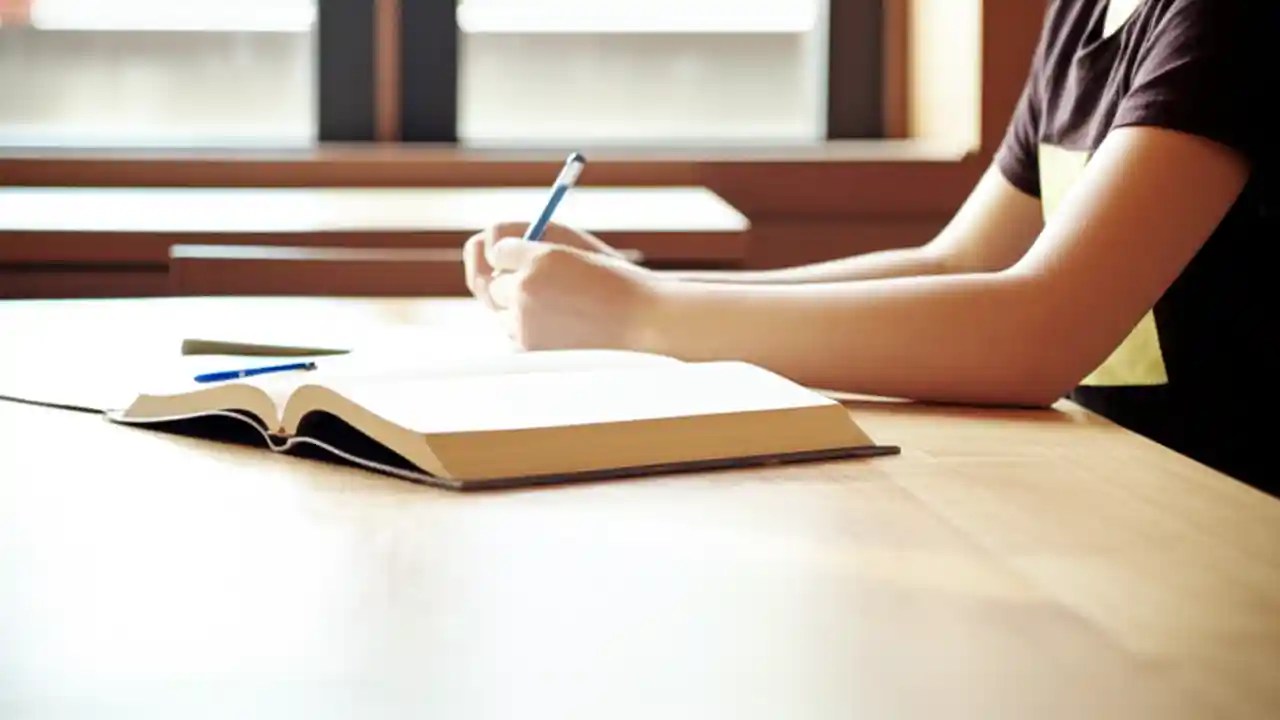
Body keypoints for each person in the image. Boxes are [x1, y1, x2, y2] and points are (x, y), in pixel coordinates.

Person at [463, 0, 1276, 494]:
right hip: (1131, 499)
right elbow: (960, 263)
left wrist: (644, 317)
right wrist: (629, 289)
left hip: (1232, 543)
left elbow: (1041, 333)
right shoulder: (1083, 14)